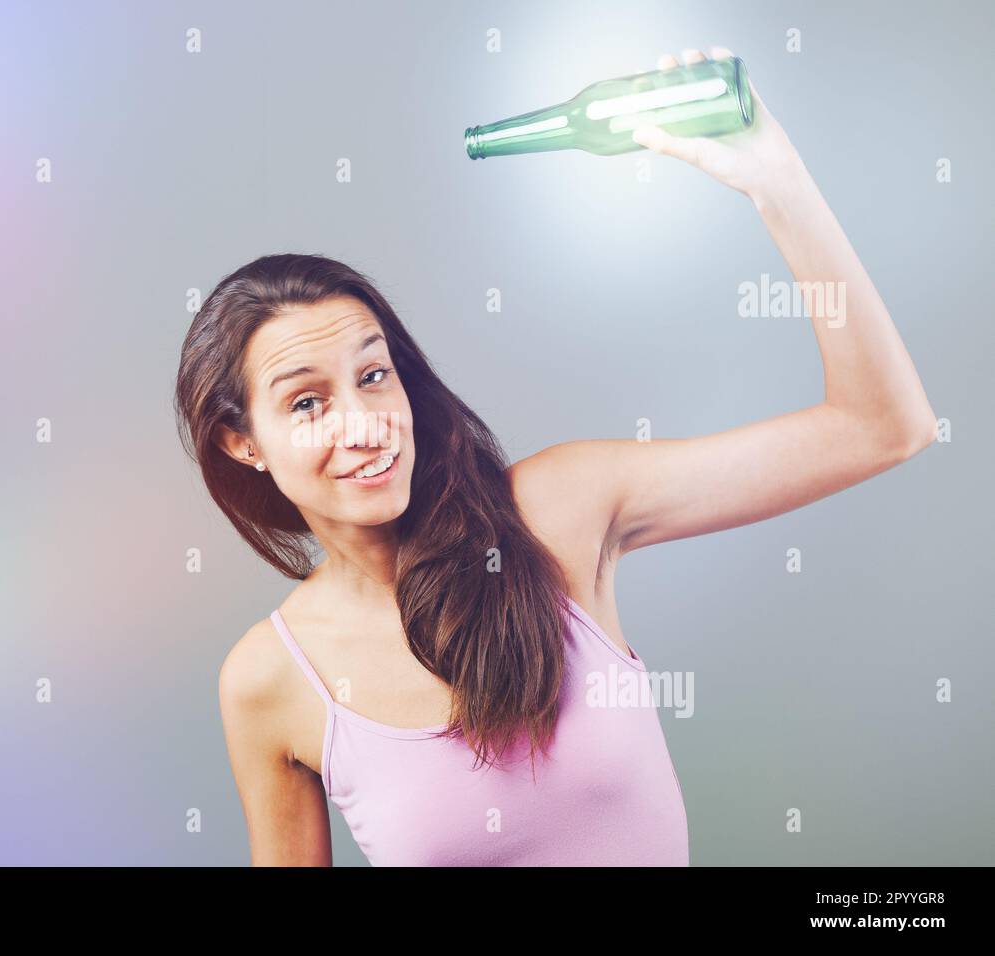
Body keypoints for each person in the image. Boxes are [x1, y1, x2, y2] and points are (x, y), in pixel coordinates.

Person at [173, 47, 936, 866]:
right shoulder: (268, 679)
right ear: (240, 440)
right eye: (307, 403)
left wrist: (776, 182)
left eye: (372, 375)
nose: (363, 425)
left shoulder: (558, 510)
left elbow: (881, 425)